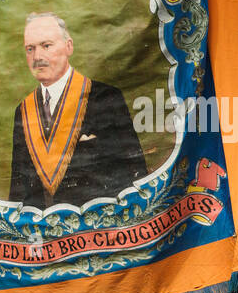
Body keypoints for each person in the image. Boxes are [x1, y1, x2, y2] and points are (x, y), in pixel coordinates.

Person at [9, 12, 146, 209]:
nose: (37, 57)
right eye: (30, 49)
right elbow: (18, 192)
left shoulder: (105, 97)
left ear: (68, 46)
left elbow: (134, 171)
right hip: (45, 232)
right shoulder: (22, 110)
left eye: (46, 46)